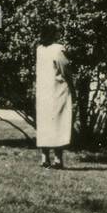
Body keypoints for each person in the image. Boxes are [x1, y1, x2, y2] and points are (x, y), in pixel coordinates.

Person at [35, 22, 73, 169]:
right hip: (57, 90)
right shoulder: (58, 49)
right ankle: (58, 159)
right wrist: (72, 85)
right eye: (57, 31)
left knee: (44, 123)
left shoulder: (40, 49)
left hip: (43, 91)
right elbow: (65, 68)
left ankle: (44, 158)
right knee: (59, 123)